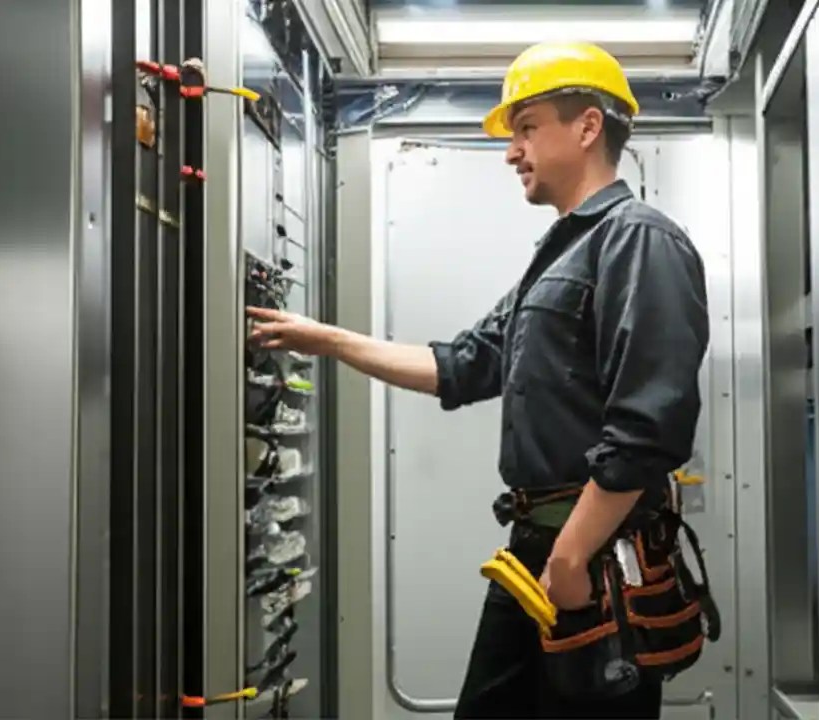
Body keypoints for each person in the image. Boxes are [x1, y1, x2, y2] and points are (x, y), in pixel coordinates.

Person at [247, 40, 709, 719]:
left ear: (586, 127)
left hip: (595, 556)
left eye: (526, 128)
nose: (512, 151)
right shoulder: (557, 258)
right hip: (539, 551)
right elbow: (460, 366)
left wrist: (574, 557)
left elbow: (648, 427)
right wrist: (328, 340)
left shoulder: (639, 242)